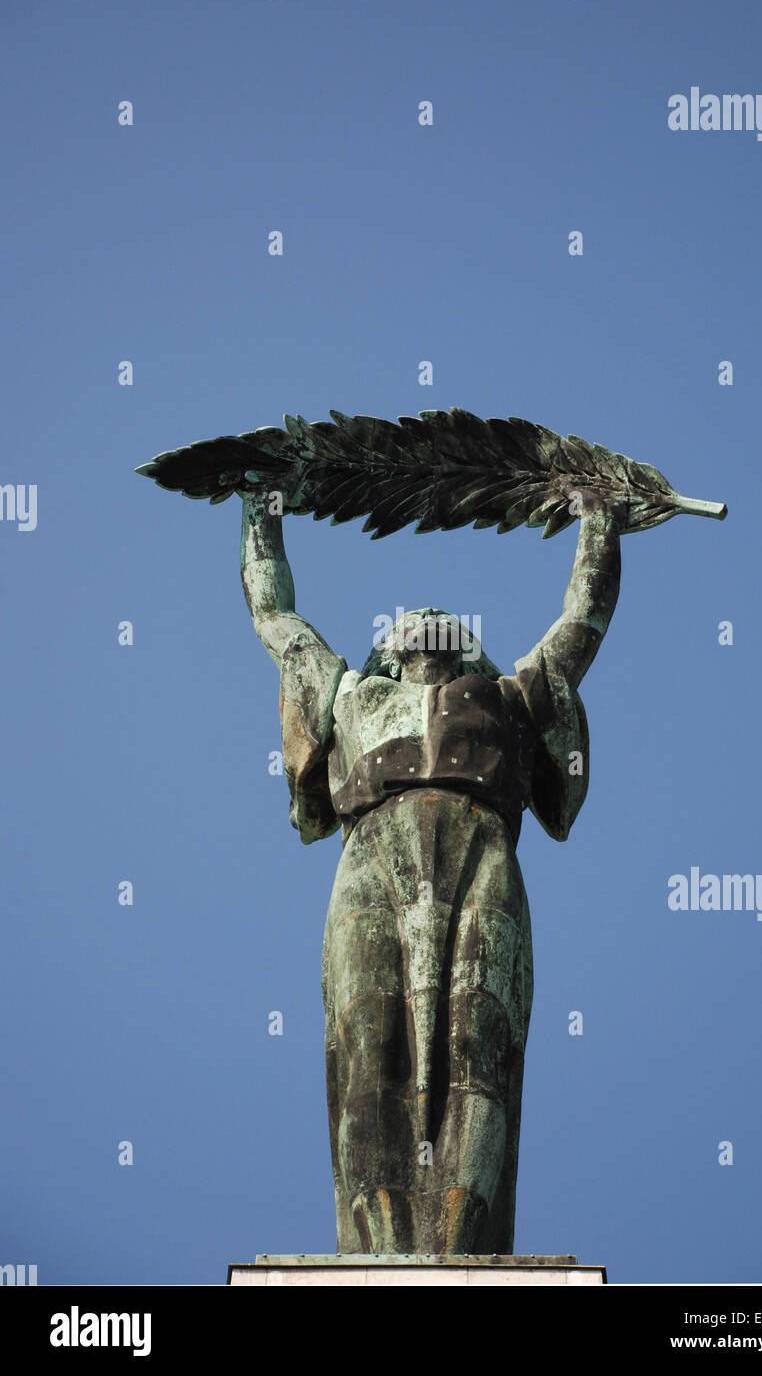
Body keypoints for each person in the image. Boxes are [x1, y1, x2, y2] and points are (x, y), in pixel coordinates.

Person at [239, 485, 625, 1254]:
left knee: (473, 1041)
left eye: (442, 612)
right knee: (367, 1039)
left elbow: (582, 625)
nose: (424, 611)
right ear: (388, 644)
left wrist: (599, 521)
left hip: (481, 850)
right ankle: (375, 1234)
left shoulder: (510, 697)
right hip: (371, 858)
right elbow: (275, 620)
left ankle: (463, 1229)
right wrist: (261, 511)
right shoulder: (350, 693)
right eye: (409, 612)